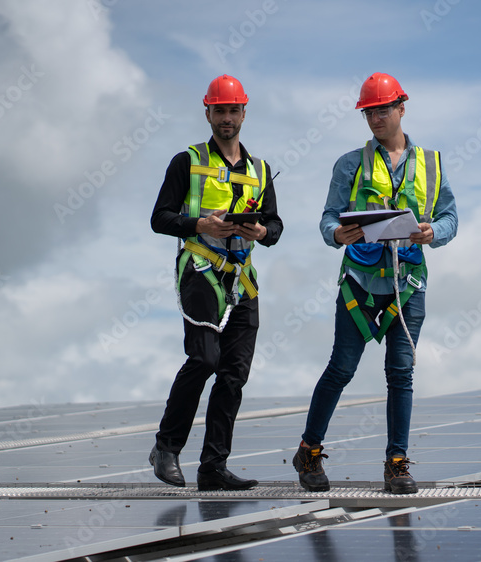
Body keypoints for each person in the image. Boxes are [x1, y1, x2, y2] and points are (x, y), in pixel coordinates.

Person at [292, 72, 458, 494]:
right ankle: (309, 450)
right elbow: (329, 217)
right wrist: (337, 234)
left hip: (407, 285)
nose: (376, 118)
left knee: (401, 374)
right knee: (341, 369)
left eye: (383, 109)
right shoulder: (349, 164)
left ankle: (397, 463)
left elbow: (450, 218)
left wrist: (432, 232)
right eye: (369, 112)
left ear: (401, 107)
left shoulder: (432, 164)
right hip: (360, 285)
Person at [148, 74, 282, 491]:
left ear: (244, 112)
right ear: (208, 112)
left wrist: (261, 233)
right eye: (220, 110)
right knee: (205, 360)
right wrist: (199, 224)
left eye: (233, 110)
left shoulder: (260, 169)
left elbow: (276, 225)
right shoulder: (185, 161)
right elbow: (160, 219)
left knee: (233, 374)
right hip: (201, 273)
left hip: (243, 280)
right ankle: (166, 447)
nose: (227, 117)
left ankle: (213, 467)